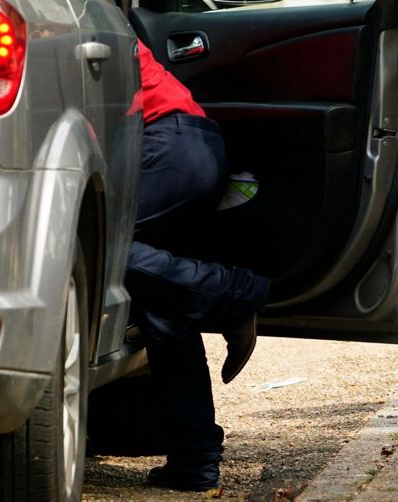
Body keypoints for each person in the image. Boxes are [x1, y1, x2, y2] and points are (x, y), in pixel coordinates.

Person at [126, 41, 270, 491]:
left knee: (96, 253)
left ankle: (231, 295)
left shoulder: (54, 21)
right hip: (191, 142)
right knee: (164, 305)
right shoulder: (79, 15)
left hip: (163, 144)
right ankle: (194, 459)